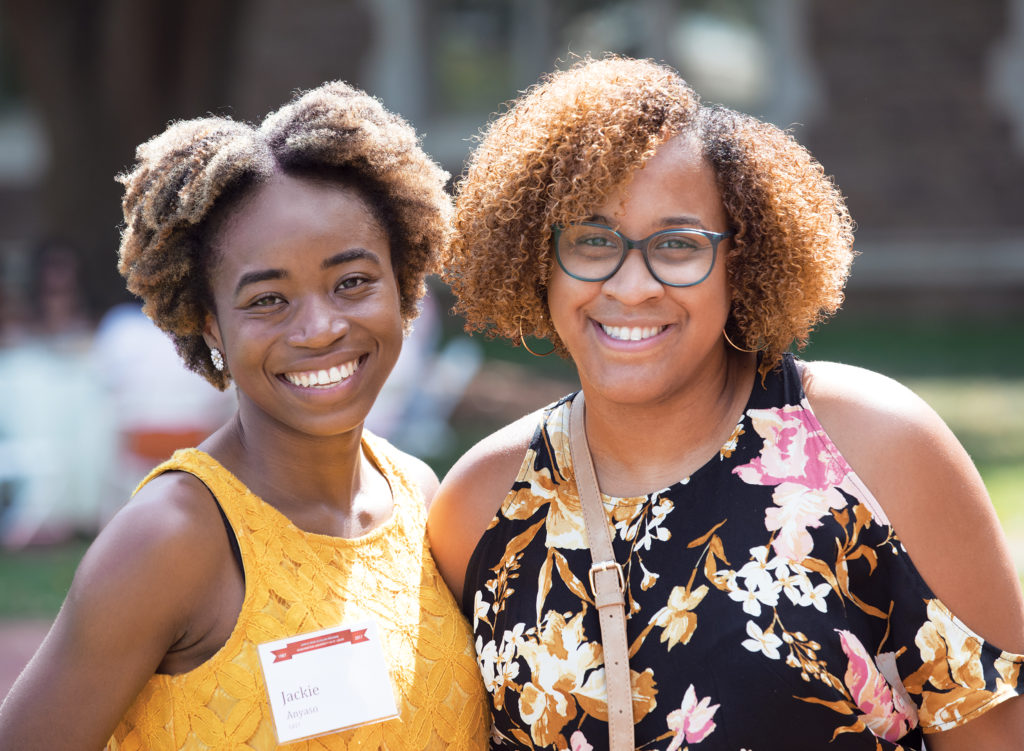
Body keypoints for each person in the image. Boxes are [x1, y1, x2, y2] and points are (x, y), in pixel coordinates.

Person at [427, 56, 1024, 750]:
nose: (631, 285)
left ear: (740, 260)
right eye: (592, 240)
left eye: (677, 245)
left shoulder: (874, 446)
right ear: (541, 256)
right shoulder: (480, 506)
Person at [0, 81, 490, 750]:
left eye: (352, 282)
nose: (319, 328)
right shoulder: (168, 541)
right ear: (210, 326)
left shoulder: (420, 497)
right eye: (267, 299)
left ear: (403, 286)